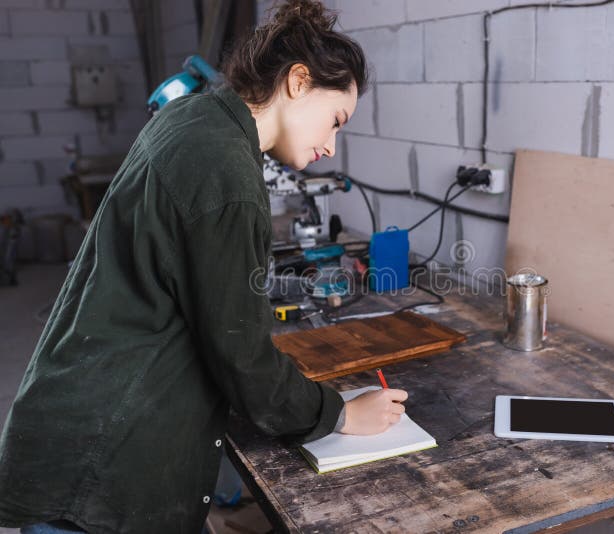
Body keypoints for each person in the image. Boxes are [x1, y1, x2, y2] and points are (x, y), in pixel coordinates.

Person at [0, 1, 407, 533]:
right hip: (104, 457)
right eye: (336, 120)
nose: (332, 145)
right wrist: (340, 414)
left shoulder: (193, 119)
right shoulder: (227, 173)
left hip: (75, 416)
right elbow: (242, 360)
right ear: (298, 81)